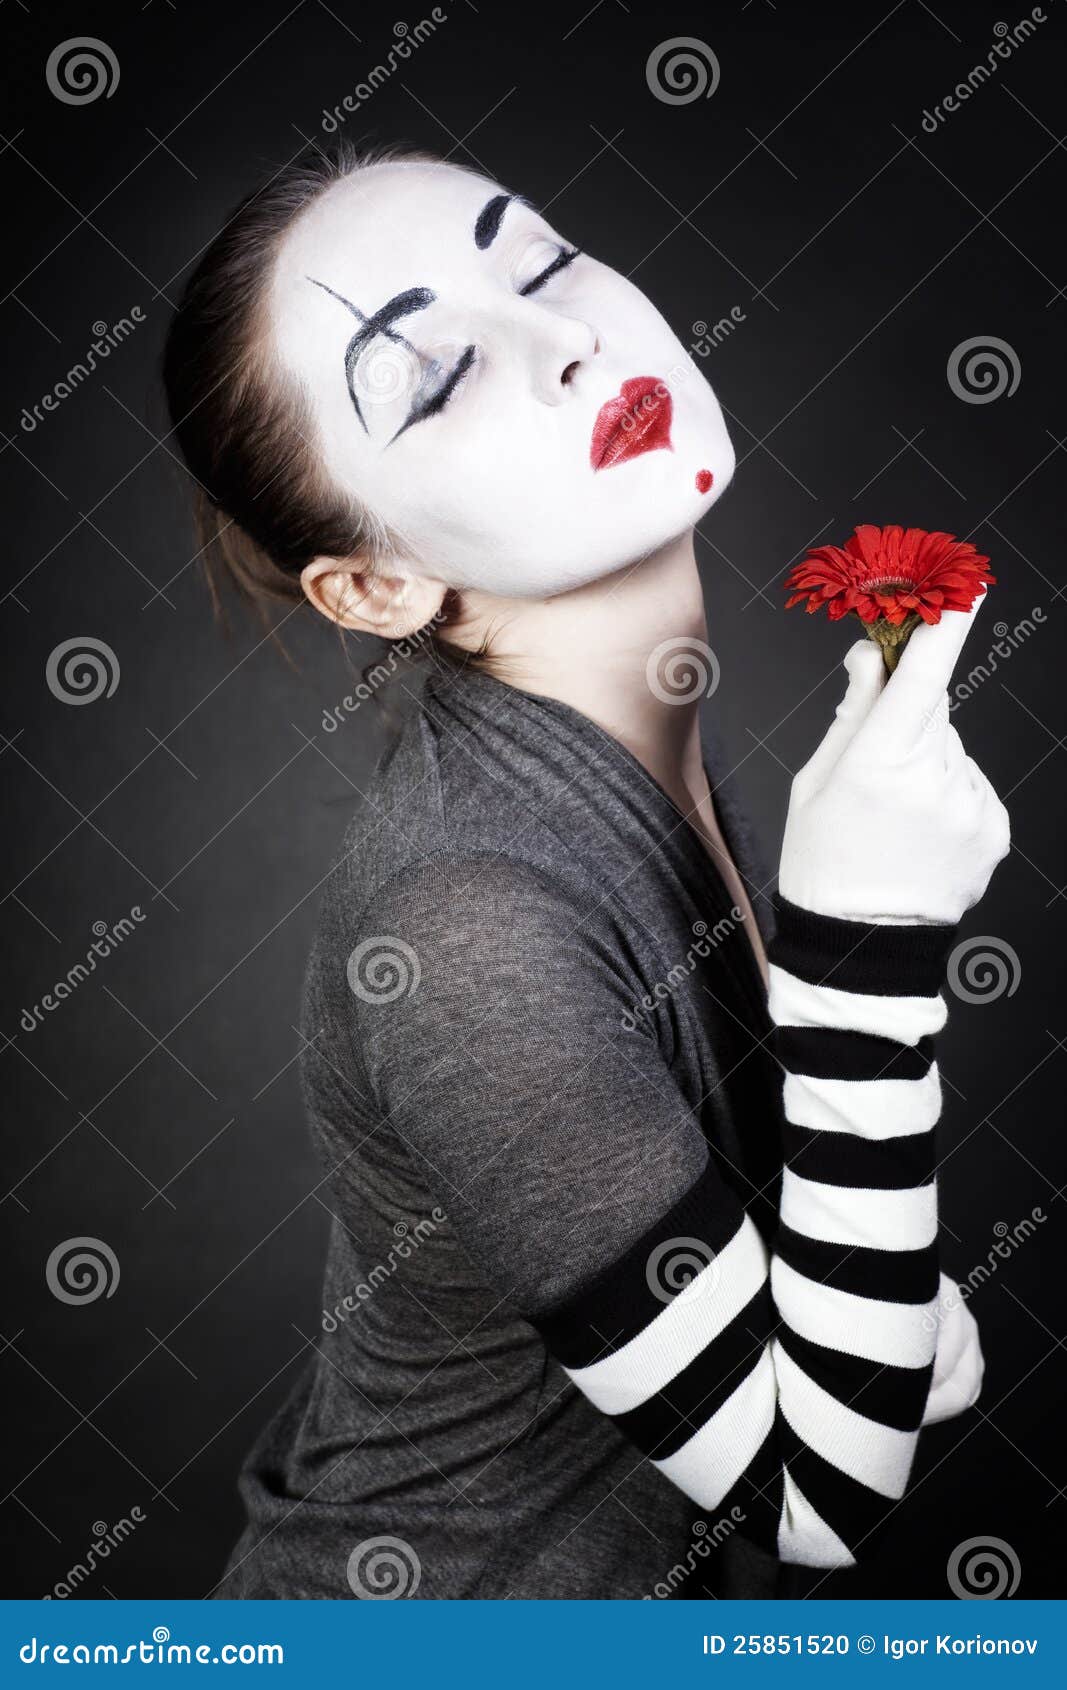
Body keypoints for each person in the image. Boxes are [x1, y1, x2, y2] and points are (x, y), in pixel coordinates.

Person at [162, 144, 1010, 1600]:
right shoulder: (468, 917)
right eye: (435, 379)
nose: (566, 346)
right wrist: (867, 942)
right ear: (377, 585)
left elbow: (764, 1304)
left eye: (543, 263)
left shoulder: (629, 739)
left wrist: (861, 1299)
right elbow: (811, 1490)